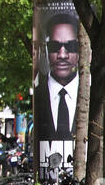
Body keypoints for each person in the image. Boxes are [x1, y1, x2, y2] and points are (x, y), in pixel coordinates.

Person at [34, 11, 80, 173]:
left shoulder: (90, 98)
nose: (62, 54)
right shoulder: (38, 96)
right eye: (55, 46)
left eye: (70, 46)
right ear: (46, 50)